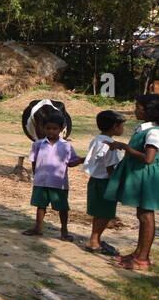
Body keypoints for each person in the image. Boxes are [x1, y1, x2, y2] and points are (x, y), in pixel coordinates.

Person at [104, 96, 159, 270]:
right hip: (139, 176)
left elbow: (148, 159)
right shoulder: (143, 128)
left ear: (150, 111)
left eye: (138, 107)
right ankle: (138, 253)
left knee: (146, 216)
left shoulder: (154, 132)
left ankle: (143, 259)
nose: (135, 110)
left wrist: (125, 147)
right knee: (142, 215)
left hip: (146, 177)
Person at [22, 112, 82, 241]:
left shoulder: (66, 146)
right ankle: (38, 228)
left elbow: (71, 163)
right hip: (41, 182)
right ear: (43, 128)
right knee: (40, 206)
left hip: (58, 183)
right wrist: (35, 175)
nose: (51, 131)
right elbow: (34, 161)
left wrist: (82, 160)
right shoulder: (37, 144)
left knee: (62, 208)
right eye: (48, 128)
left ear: (61, 130)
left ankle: (64, 231)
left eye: (54, 129)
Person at [84, 110, 126, 256]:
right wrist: (118, 184)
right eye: (122, 126)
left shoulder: (97, 139)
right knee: (105, 214)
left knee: (99, 212)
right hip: (106, 182)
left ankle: (95, 238)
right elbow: (110, 168)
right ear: (115, 126)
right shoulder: (110, 145)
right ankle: (94, 241)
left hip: (95, 181)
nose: (123, 129)